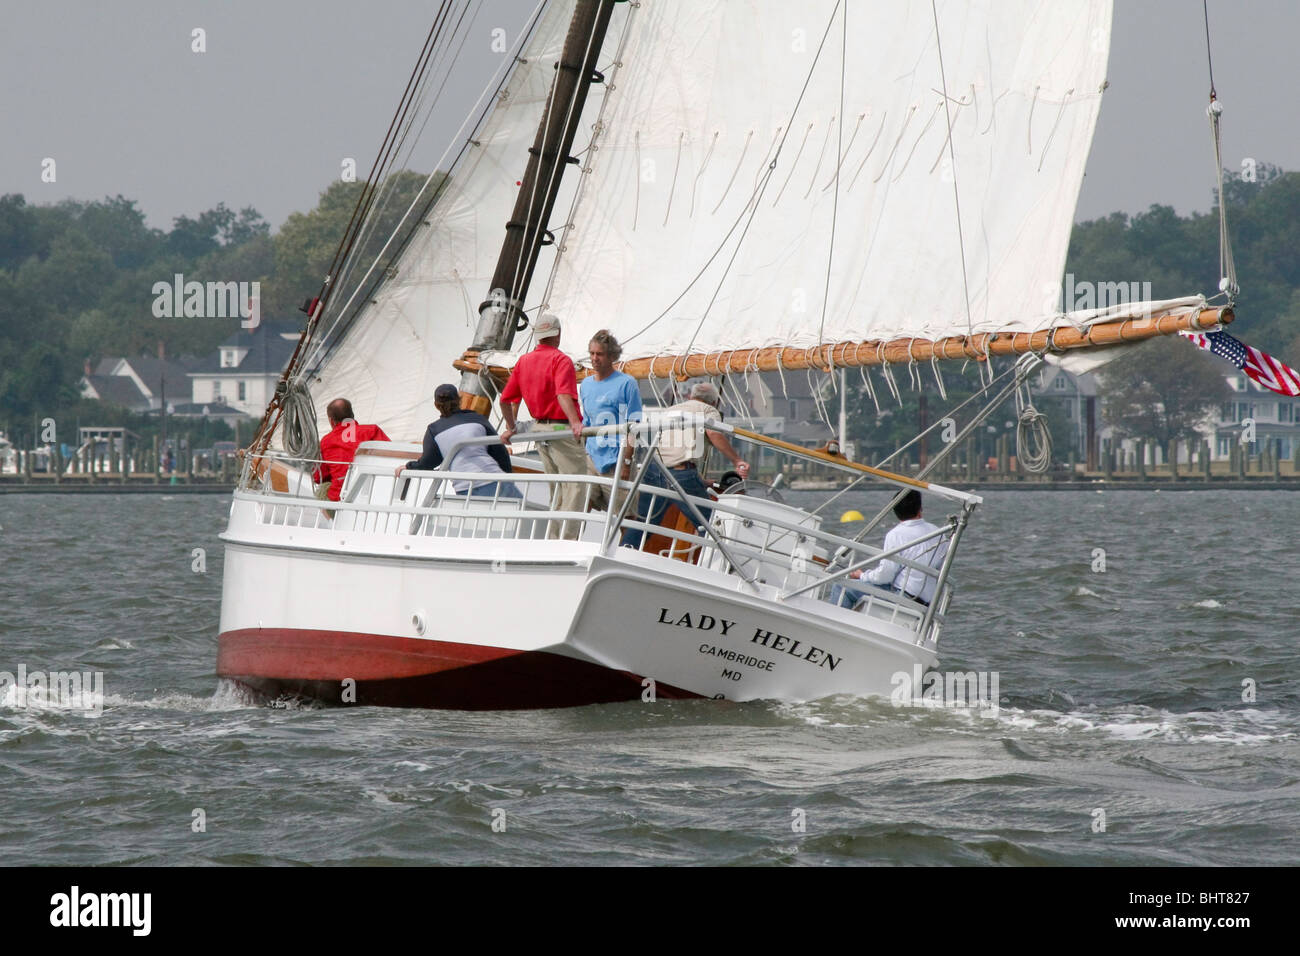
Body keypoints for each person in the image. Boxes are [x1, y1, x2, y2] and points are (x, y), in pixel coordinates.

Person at [625, 381, 749, 548]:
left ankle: (625, 550)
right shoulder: (709, 411)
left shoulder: (669, 411)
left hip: (653, 469)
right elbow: (713, 432)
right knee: (711, 524)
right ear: (714, 402)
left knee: (645, 522)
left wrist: (700, 481)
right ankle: (724, 563)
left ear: (690, 397)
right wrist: (737, 460)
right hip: (681, 475)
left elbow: (671, 449)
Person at [499, 313, 586, 539]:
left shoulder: (524, 361)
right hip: (560, 429)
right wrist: (575, 423)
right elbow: (563, 395)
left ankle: (553, 538)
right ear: (557, 334)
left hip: (539, 431)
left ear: (538, 336)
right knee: (576, 485)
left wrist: (512, 426)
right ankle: (567, 541)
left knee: (555, 487)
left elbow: (505, 400)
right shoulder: (561, 360)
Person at [398, 384, 519, 498]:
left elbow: (428, 462)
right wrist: (508, 476)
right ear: (459, 400)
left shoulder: (434, 430)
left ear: (436, 405)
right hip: (494, 480)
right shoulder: (477, 418)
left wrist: (409, 467)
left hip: (464, 488)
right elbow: (499, 452)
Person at [834, 489, 948, 608]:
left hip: (903, 597)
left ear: (895, 511)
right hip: (927, 601)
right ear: (920, 509)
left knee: (841, 587)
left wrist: (862, 576)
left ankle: (834, 623)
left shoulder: (896, 534)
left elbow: (885, 575)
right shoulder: (938, 532)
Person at [579, 329, 641, 512]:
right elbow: (587, 423)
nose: (595, 358)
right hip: (591, 457)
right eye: (592, 353)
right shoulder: (586, 385)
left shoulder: (627, 384)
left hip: (617, 458)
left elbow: (634, 425)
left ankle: (626, 542)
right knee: (581, 507)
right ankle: (573, 541)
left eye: (600, 354)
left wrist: (626, 463)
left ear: (611, 356)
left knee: (624, 515)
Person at [313, 398, 391, 503]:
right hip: (371, 493)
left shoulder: (326, 441)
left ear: (331, 421)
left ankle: (333, 520)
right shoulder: (372, 430)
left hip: (339, 497)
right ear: (352, 415)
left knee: (321, 492)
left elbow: (319, 478)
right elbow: (390, 454)